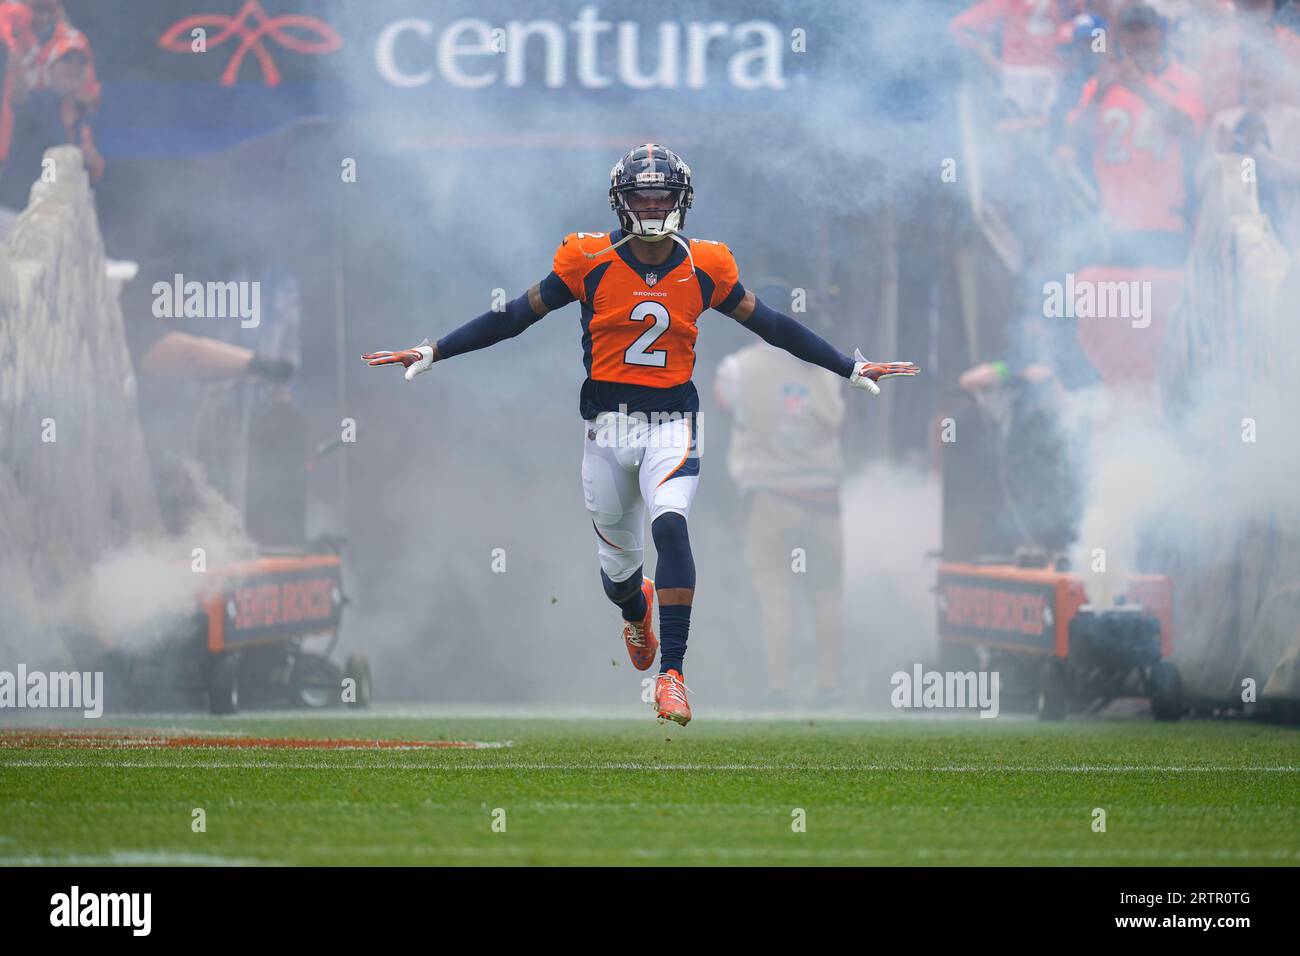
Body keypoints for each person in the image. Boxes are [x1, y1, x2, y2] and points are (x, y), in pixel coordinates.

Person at [362, 144, 919, 725]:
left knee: (672, 528)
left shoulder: (706, 265)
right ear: (620, 201)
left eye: (662, 196)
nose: (652, 206)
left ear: (681, 201)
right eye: (641, 196)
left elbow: (773, 325)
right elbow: (514, 317)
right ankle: (637, 613)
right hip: (605, 432)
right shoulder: (587, 258)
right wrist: (435, 349)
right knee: (621, 578)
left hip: (672, 424)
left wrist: (849, 368)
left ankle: (672, 675)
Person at [714, 284, 847, 708]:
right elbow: (837, 419)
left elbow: (723, 402)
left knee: (775, 594)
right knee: (826, 593)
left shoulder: (738, 368)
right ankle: (829, 687)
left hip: (769, 497)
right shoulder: (827, 367)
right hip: (823, 499)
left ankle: (779, 688)